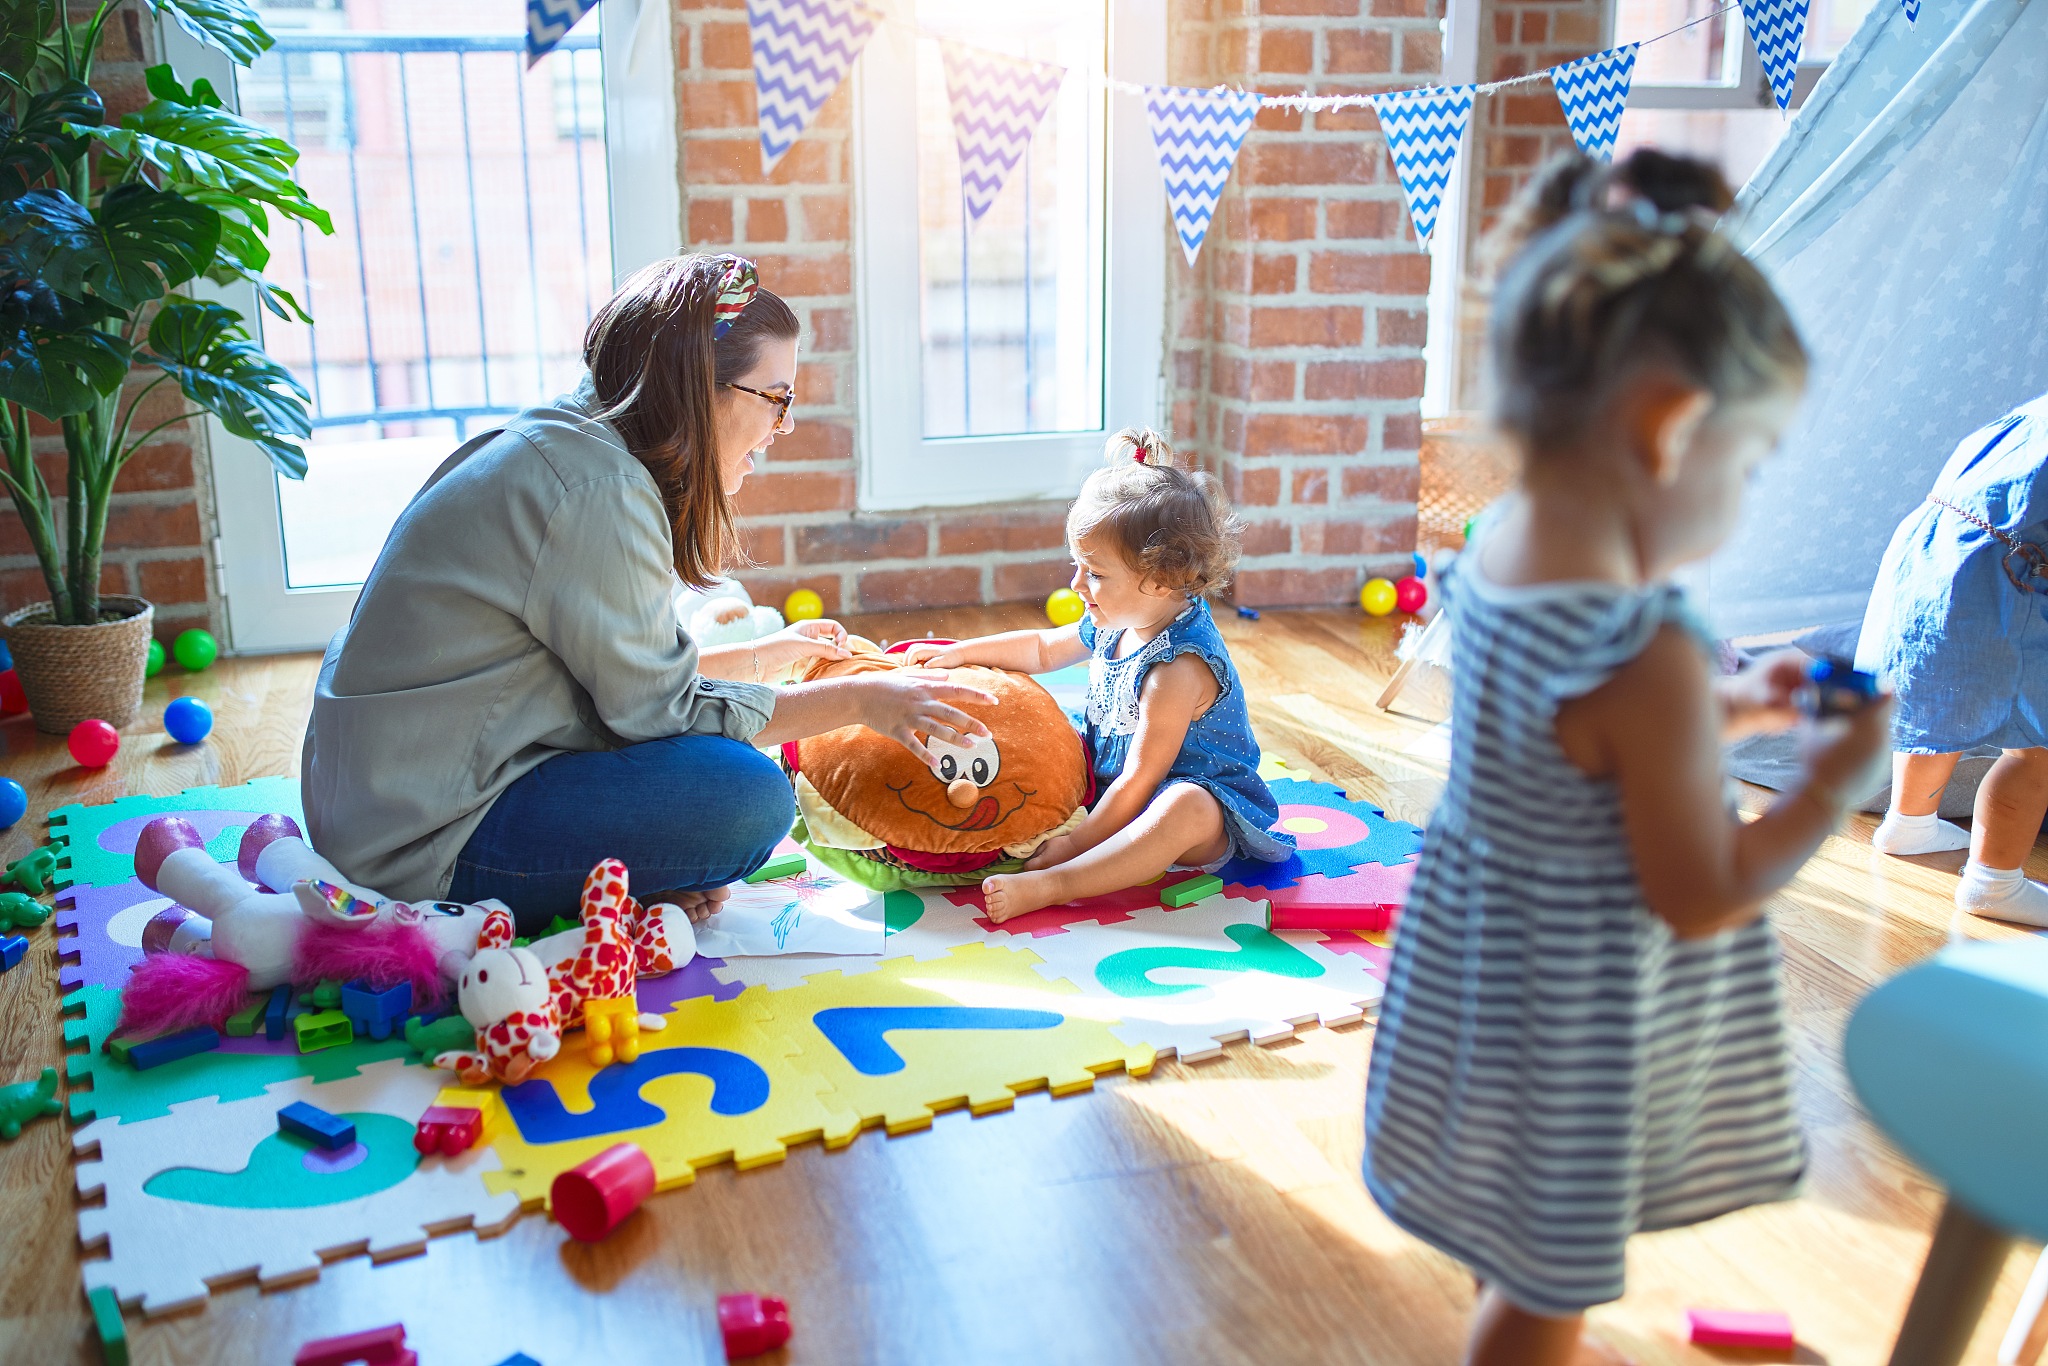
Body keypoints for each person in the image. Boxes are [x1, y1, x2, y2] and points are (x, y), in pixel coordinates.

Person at [1362, 182, 1893, 1364]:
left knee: (1511, 1223)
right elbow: (1701, 892)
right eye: (1747, 464)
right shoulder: (1643, 649)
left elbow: (1573, 741)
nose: (1743, 497)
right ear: (1666, 426)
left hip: (1479, 957)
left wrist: (1731, 704)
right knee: (1546, 1279)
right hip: (1573, 1002)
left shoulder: (1500, 549)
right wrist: (1827, 787)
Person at [303, 254, 995, 934]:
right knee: (750, 797)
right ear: (699, 387)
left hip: (390, 798)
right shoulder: (600, 494)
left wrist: (768, 654)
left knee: (714, 780)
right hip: (423, 842)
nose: (783, 427)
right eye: (778, 398)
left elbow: (624, 683)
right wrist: (865, 700)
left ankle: (614, 885)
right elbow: (660, 713)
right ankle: (579, 894)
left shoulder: (576, 443)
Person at [902, 430, 1290, 922]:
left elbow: (1141, 779)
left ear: (1161, 579)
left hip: (1189, 808)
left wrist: (1072, 846)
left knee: (1186, 807)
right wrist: (958, 653)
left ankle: (1059, 884)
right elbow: (1042, 649)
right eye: (1078, 566)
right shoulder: (1119, 619)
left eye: (1096, 574)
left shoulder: (1177, 669)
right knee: (1044, 727)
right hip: (1110, 787)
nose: (1076, 584)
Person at [1860, 391, 2048, 924]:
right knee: (2035, 749)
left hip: (1932, 556)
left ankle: (1909, 824)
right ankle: (1994, 882)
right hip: (2004, 577)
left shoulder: (2030, 416)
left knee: (1936, 695)